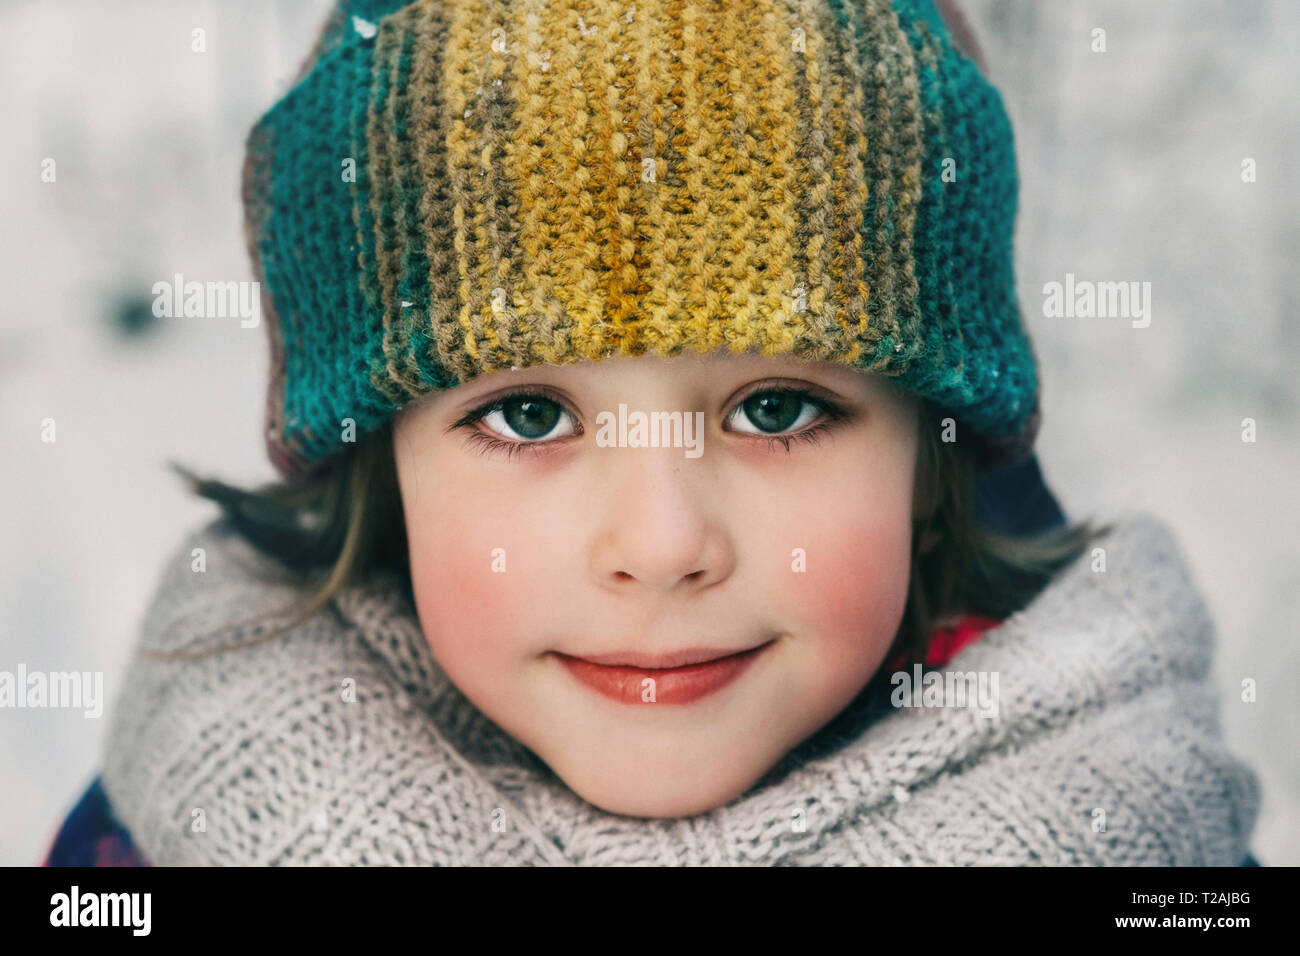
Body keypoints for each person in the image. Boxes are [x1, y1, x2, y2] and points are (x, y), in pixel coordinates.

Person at [44, 0, 1259, 865]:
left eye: (776, 408)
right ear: (381, 465)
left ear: (929, 460)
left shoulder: (1136, 828)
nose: (662, 541)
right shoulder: (174, 830)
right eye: (527, 411)